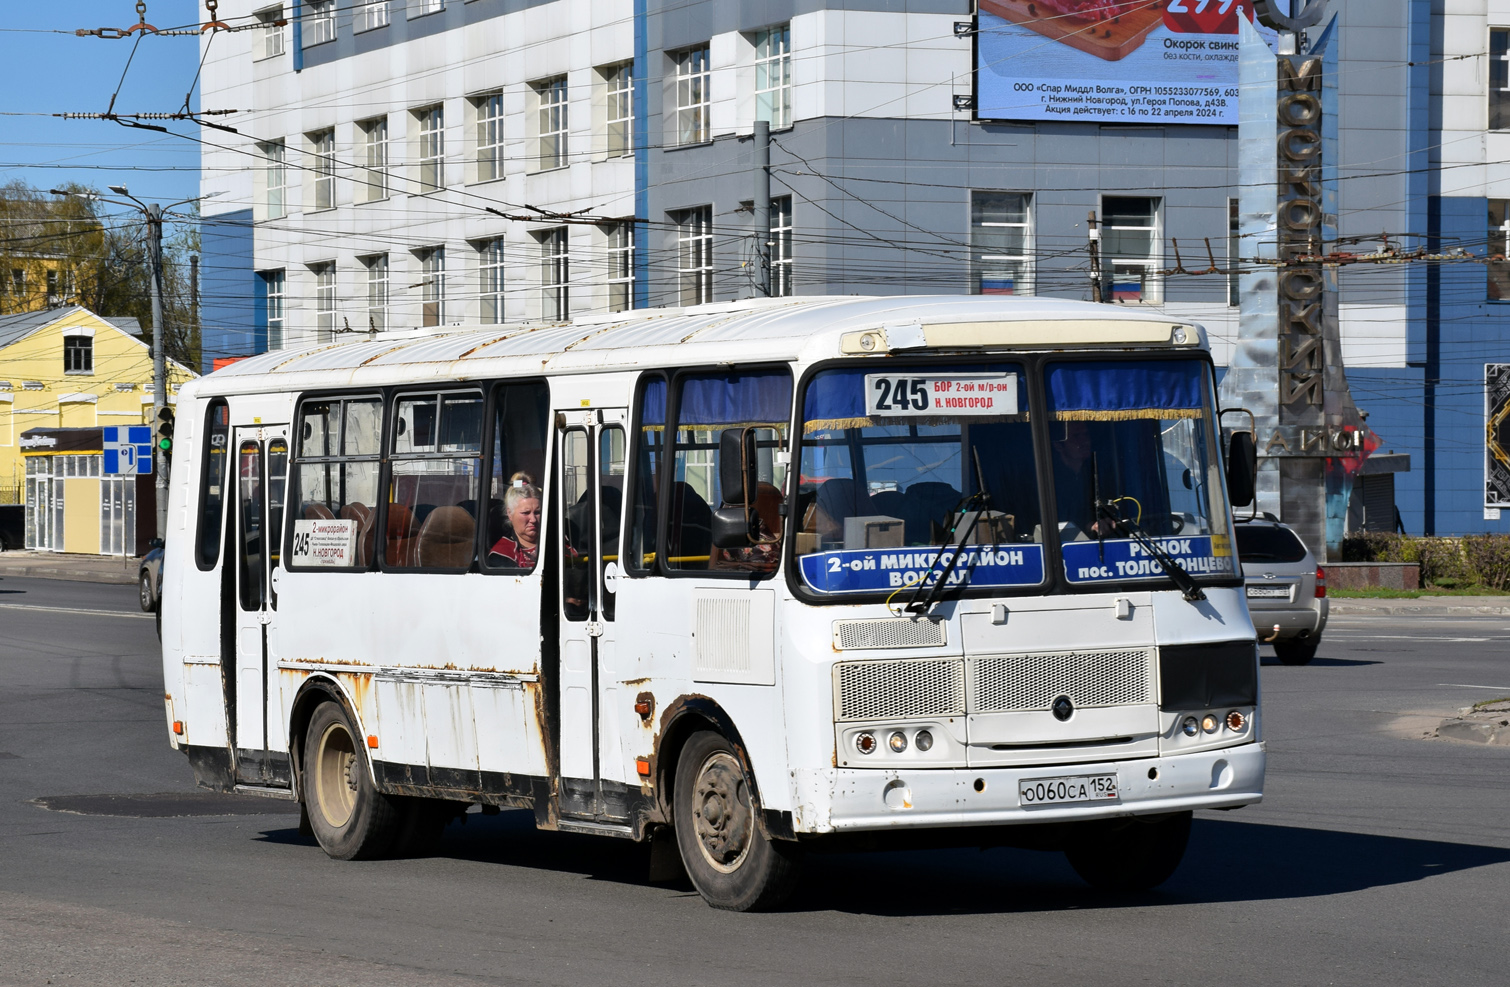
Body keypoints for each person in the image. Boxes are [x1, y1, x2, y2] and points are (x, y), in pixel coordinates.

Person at [1051, 420, 1116, 539]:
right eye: (1076, 436)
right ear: (1058, 445)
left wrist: (1107, 521)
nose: (1084, 441)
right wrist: (1088, 526)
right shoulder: (1050, 481)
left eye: (1086, 435)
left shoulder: (1096, 473)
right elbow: (1054, 521)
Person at [488, 473, 543, 567]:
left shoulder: (559, 542)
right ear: (510, 513)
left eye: (537, 512)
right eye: (526, 513)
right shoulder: (502, 555)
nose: (533, 519)